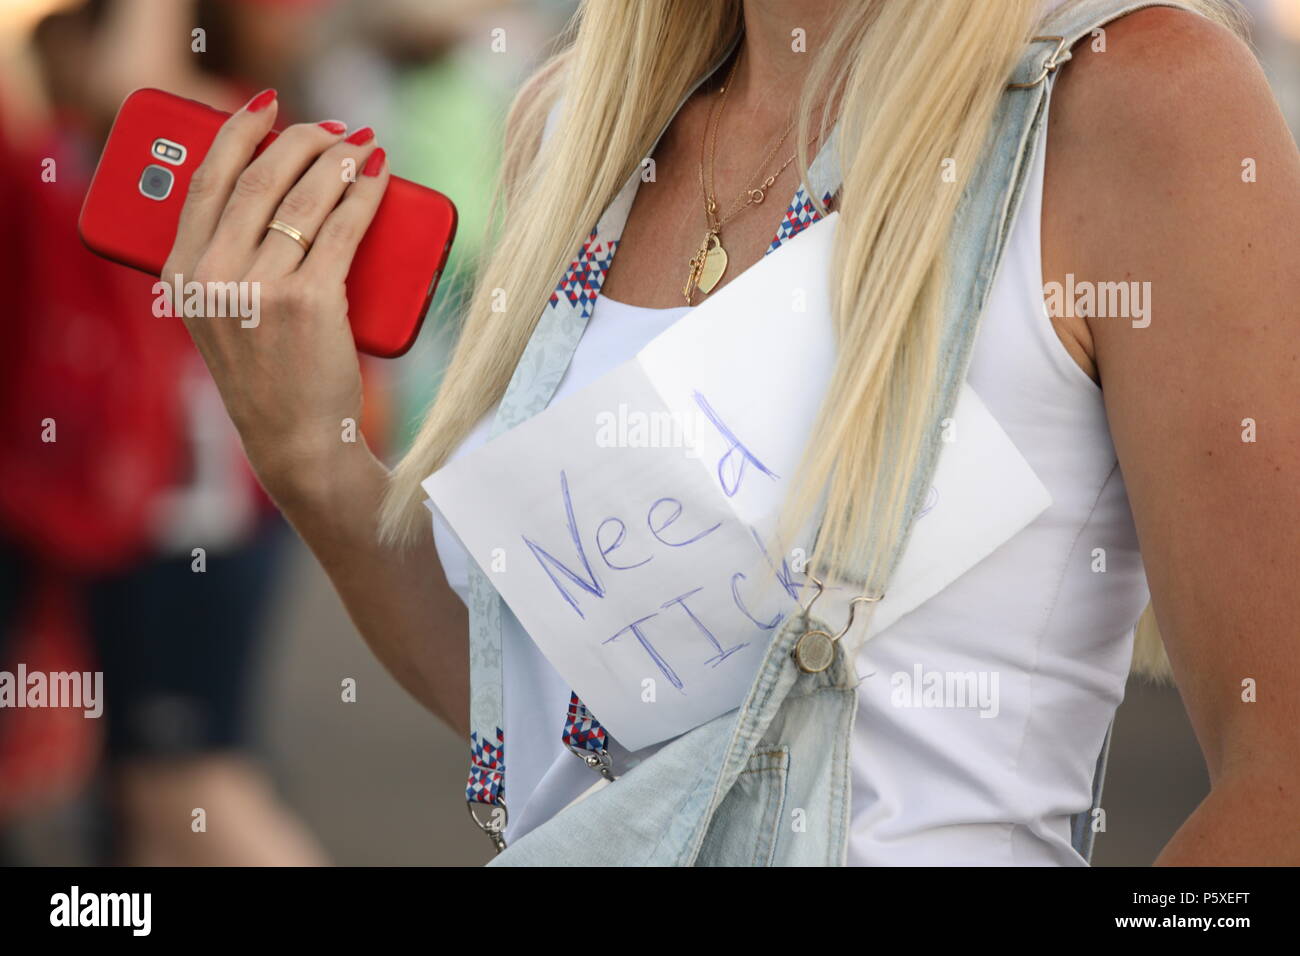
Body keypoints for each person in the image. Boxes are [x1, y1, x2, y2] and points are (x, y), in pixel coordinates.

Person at [155, 0, 1299, 865]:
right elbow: (569, 724)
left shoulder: (1129, 101)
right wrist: (309, 454)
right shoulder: (579, 132)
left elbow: (1277, 785)